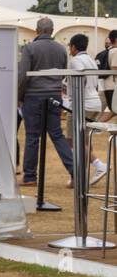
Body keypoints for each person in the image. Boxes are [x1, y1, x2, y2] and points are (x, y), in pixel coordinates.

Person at [18, 16, 75, 188]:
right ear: (51, 31)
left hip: (33, 97)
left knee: (32, 136)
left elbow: (22, 76)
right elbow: (64, 72)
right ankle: (75, 170)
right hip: (54, 96)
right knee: (57, 134)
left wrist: (19, 97)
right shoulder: (60, 49)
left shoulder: (30, 48)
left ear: (37, 30)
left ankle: (29, 176)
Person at [65, 33, 111, 185]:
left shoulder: (76, 60)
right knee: (83, 140)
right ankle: (79, 177)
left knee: (73, 141)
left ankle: (98, 165)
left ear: (73, 47)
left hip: (81, 104)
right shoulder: (91, 59)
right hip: (94, 102)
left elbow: (81, 79)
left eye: (69, 47)